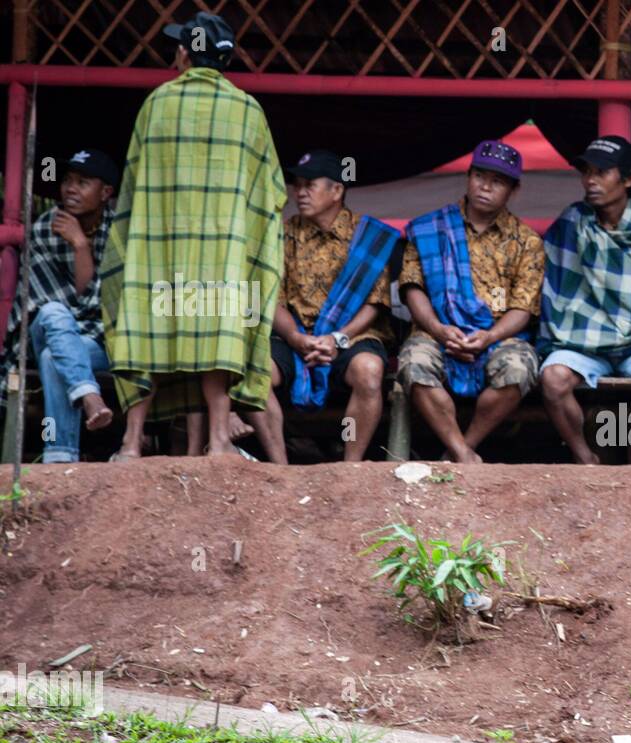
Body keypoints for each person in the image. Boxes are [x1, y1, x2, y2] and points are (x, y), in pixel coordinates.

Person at [100, 10, 284, 460]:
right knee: (217, 342)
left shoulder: (157, 103)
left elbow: (134, 181)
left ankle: (129, 443)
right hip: (221, 256)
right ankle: (220, 442)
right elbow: (270, 192)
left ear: (184, 53)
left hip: (158, 253)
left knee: (147, 333)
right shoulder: (248, 110)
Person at [538, 135, 631, 464]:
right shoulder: (571, 222)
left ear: (630, 179)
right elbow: (551, 283)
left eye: (602, 172)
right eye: (586, 172)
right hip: (582, 339)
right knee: (553, 379)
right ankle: (586, 461)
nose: (590, 181)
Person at [397, 139, 543, 463]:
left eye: (497, 181)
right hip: (437, 332)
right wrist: (438, 329)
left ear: (513, 190)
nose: (485, 187)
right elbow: (412, 288)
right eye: (479, 176)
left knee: (519, 368)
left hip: (498, 335)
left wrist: (490, 337)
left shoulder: (527, 242)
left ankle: (460, 447)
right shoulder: (428, 229)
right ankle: (463, 454)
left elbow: (523, 307)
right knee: (413, 363)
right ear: (468, 176)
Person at [262, 150, 399, 464]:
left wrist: (336, 338)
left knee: (369, 371)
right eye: (297, 184)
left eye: (310, 184)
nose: (300, 192)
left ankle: (349, 458)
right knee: (256, 373)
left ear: (337, 190)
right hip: (293, 335)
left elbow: (375, 304)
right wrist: (297, 338)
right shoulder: (283, 233)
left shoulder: (366, 237)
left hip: (352, 335)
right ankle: (279, 464)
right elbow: (271, 300)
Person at [13, 149, 117, 462]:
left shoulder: (121, 232)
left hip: (102, 339)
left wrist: (80, 245)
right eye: (67, 180)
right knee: (53, 313)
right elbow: (57, 303)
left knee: (53, 356)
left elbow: (104, 302)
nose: (70, 188)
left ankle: (59, 456)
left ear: (105, 193)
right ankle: (89, 395)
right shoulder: (46, 226)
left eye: (82, 182)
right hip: (51, 328)